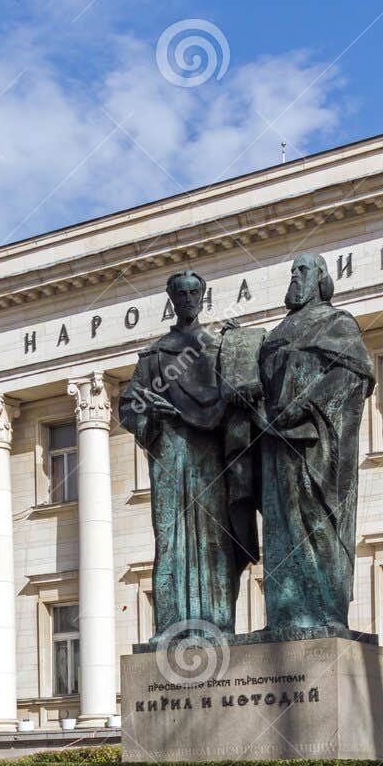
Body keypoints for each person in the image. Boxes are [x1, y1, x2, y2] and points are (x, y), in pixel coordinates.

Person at [118, 269, 262, 640]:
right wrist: (151, 414)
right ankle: (173, 626)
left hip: (213, 457)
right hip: (170, 456)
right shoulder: (153, 357)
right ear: (171, 300)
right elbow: (129, 406)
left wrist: (240, 346)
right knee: (171, 540)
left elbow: (244, 393)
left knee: (215, 541)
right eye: (179, 294)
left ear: (203, 297)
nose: (186, 300)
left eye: (193, 293)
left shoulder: (218, 349)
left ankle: (217, 624)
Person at [257, 252, 375, 637]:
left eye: (303, 271)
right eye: (292, 271)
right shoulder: (277, 332)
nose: (295, 278)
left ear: (321, 279)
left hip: (316, 444)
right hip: (275, 441)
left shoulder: (337, 323)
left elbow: (353, 378)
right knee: (279, 526)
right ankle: (285, 616)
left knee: (315, 520)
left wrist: (305, 403)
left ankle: (325, 611)